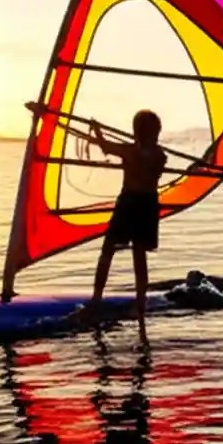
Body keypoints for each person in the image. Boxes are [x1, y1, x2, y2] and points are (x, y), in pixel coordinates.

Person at [75, 109, 166, 339]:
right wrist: (97, 131)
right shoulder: (159, 154)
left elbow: (106, 147)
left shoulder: (136, 151)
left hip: (131, 204)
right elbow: (112, 149)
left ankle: (97, 300)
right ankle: (140, 305)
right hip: (146, 205)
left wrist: (97, 130)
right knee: (138, 255)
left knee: (109, 251)